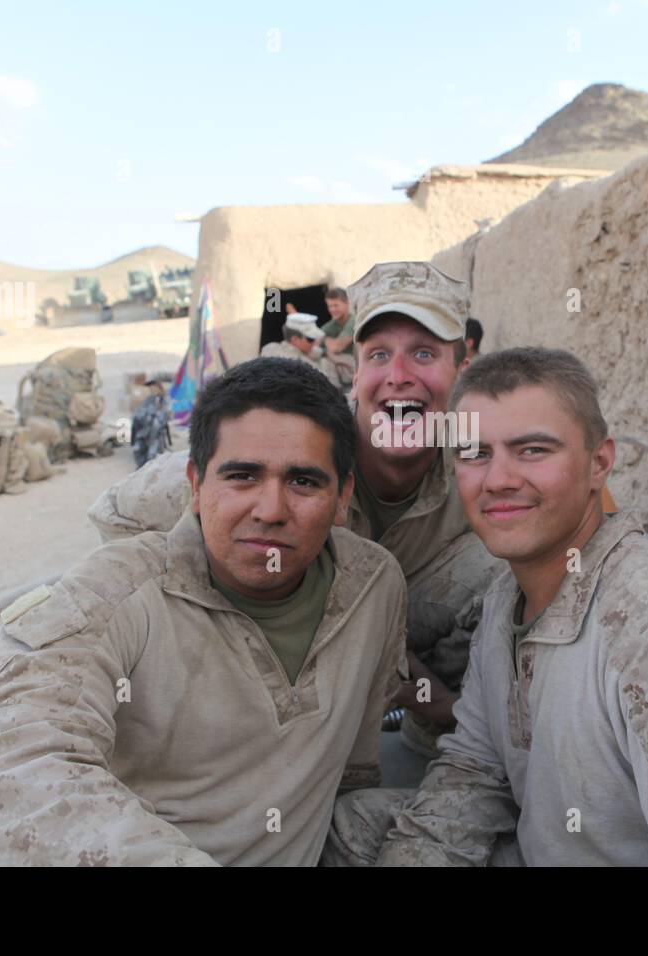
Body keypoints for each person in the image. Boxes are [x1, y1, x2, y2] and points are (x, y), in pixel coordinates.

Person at [324, 347, 648, 866]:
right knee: (350, 827)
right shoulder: (508, 599)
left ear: (599, 464)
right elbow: (478, 769)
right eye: (475, 454)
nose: (499, 478)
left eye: (532, 450)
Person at [0, 358, 407, 866]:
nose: (270, 510)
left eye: (303, 482)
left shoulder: (373, 586)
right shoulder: (115, 593)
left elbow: (354, 769)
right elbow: (7, 771)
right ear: (195, 485)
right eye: (242, 476)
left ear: (342, 498)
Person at [87, 262, 506, 759]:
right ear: (357, 373)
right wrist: (214, 599)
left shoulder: (480, 462)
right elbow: (115, 514)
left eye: (423, 354)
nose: (398, 377)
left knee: (504, 577)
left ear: (461, 370)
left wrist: (441, 703)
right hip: (282, 619)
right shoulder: (296, 445)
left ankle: (437, 734)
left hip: (398, 626)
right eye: (378, 355)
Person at [260, 313, 342, 388]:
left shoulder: (269, 347)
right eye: (311, 339)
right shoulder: (301, 364)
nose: (315, 342)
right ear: (295, 339)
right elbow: (332, 388)